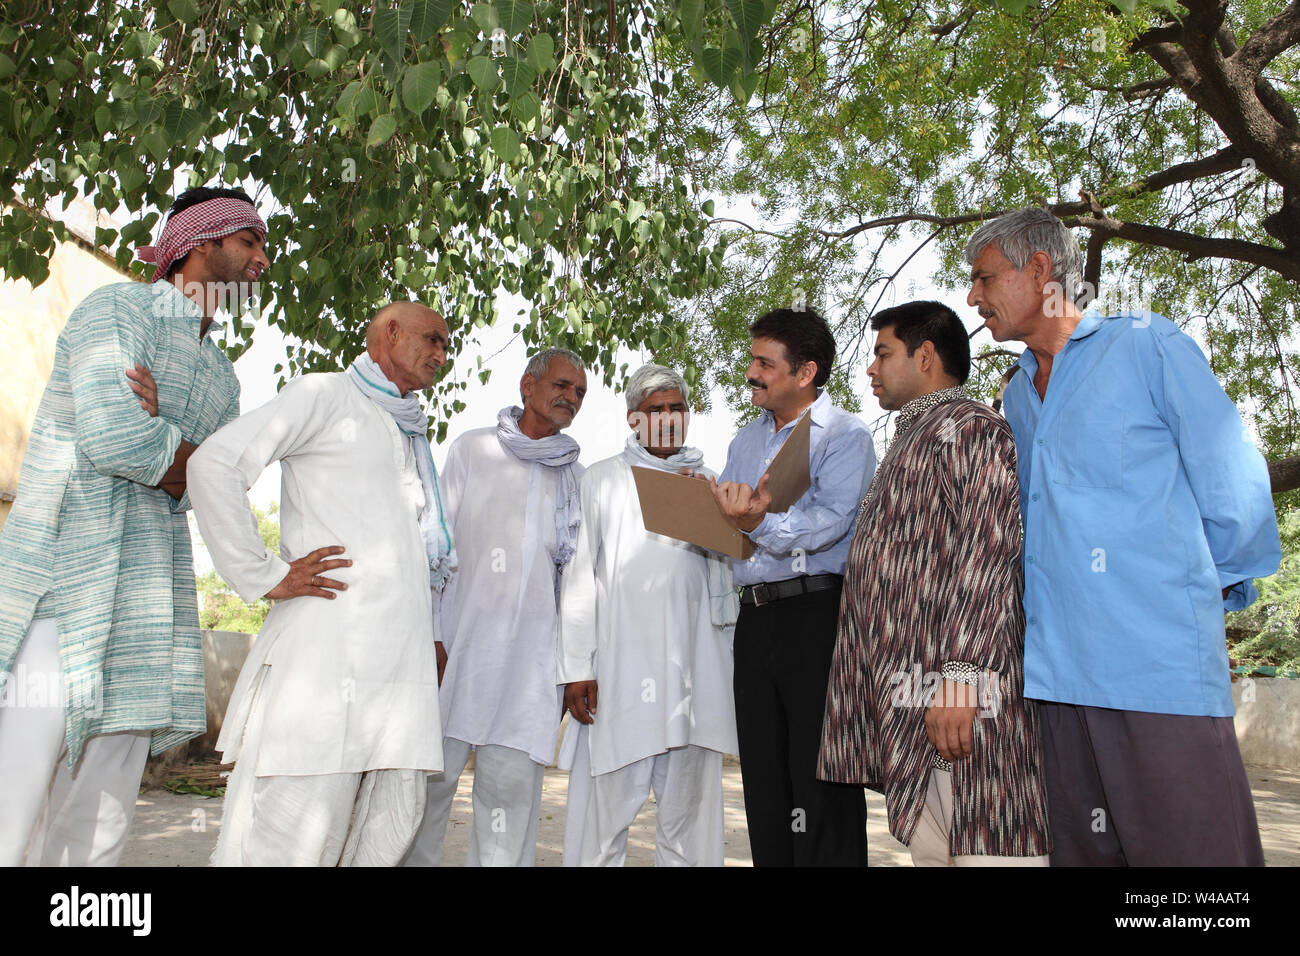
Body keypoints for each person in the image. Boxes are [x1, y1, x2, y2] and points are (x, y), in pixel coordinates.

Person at [964, 207, 1280, 866]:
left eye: (985, 277)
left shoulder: (1146, 346)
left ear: (1041, 270)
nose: (973, 296)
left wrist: (1192, 606)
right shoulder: (1018, 396)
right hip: (1059, 686)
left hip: (1156, 675)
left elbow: (1233, 488)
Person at [0, 185, 268, 866]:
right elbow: (115, 438)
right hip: (62, 590)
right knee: (16, 798)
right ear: (202, 244)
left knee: (99, 822)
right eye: (250, 242)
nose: (262, 260)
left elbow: (217, 488)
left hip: (145, 607)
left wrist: (169, 440)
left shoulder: (222, 378)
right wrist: (182, 454)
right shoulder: (117, 310)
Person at [187, 302, 453, 866]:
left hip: (396, 679)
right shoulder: (324, 395)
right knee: (294, 839)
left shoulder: (407, 428)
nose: (441, 355)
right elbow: (214, 464)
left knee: (384, 830)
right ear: (389, 332)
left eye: (446, 345)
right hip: (326, 672)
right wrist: (266, 574)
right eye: (431, 339)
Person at [818, 301, 1050, 866]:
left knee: (993, 853)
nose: (870, 369)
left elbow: (988, 555)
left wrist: (960, 680)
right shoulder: (915, 437)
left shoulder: (973, 429)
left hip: (967, 716)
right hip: (919, 710)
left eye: (882, 353)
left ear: (925, 357)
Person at [404, 348, 587, 867]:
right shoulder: (472, 450)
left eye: (579, 393)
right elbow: (434, 546)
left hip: (528, 671)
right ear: (527, 386)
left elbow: (575, 583)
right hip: (456, 653)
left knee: (508, 802)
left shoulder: (573, 478)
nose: (570, 398)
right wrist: (432, 635)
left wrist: (573, 666)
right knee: (425, 791)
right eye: (561, 385)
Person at [710, 307, 875, 866]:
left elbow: (831, 520)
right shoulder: (744, 440)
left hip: (816, 620)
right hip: (753, 623)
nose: (751, 373)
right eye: (751, 360)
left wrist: (758, 522)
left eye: (764, 363)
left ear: (805, 372)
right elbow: (734, 531)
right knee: (764, 775)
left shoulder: (847, 435)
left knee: (822, 776)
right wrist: (707, 510)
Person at [558, 364, 738, 867]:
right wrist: (577, 668)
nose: (666, 418)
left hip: (692, 681)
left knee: (688, 828)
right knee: (601, 823)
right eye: (654, 409)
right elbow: (577, 579)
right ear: (633, 418)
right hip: (618, 678)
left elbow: (729, 579)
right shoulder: (601, 481)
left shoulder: (710, 484)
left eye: (676, 408)